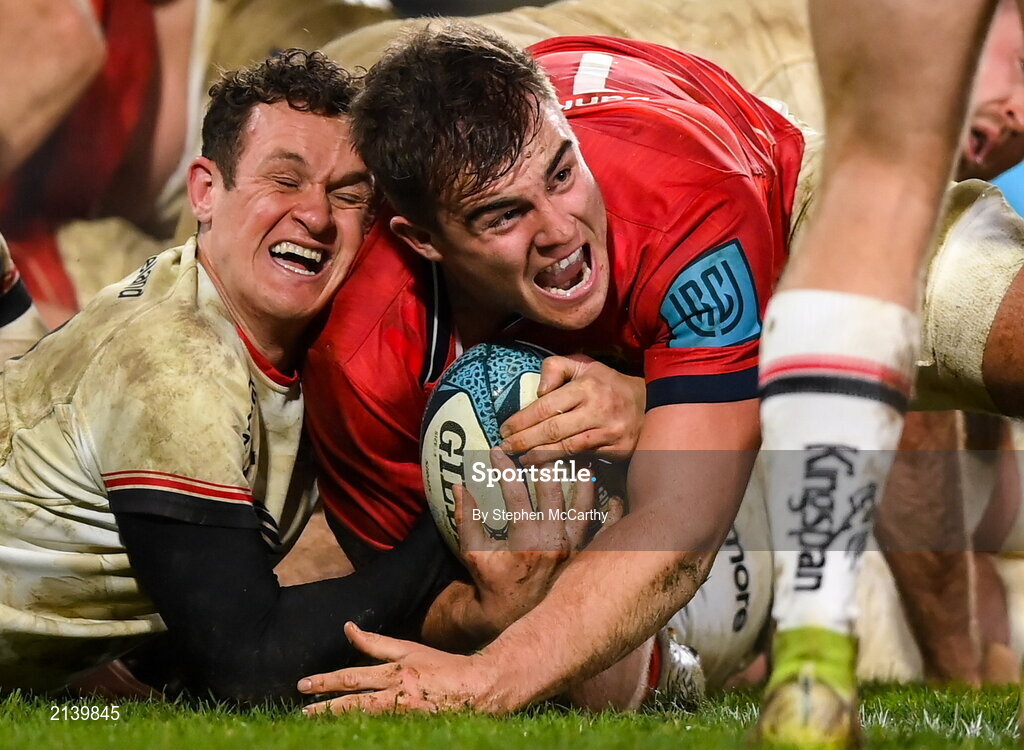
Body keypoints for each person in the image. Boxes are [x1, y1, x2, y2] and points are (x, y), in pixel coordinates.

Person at [298, 22, 800, 712]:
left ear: (569, 138)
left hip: (749, 151)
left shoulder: (687, 203)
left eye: (562, 174)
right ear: (422, 240)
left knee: (958, 310)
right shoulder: (363, 358)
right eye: (502, 216)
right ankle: (685, 656)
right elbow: (392, 592)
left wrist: (655, 399)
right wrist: (486, 617)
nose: (560, 230)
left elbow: (683, 524)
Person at [0, 48, 509, 701]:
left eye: (348, 194)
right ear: (206, 192)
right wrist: (452, 539)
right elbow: (246, 668)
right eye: (285, 180)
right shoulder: (178, 361)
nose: (318, 216)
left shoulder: (291, 334)